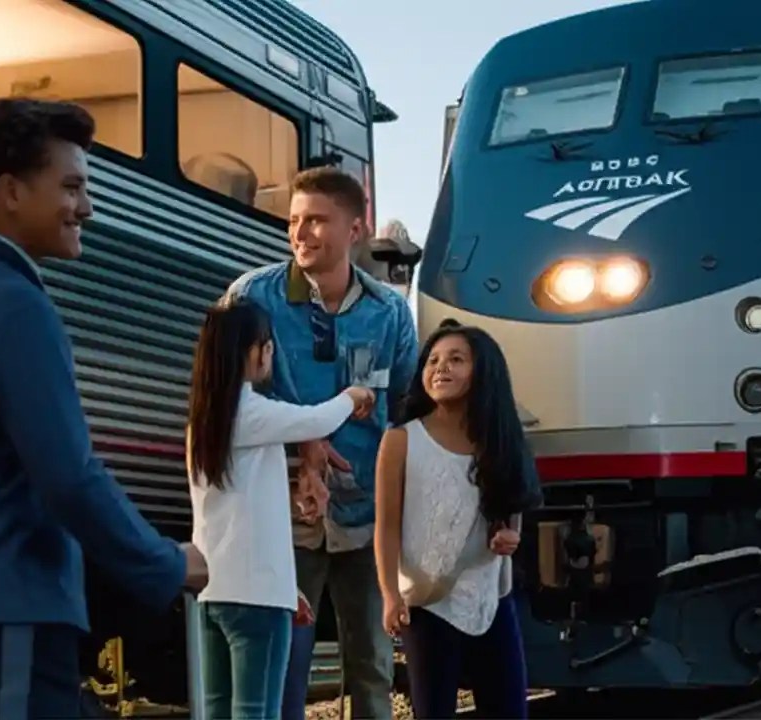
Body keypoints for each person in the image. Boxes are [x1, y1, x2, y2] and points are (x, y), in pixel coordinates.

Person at [0, 98, 207, 720]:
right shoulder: (14, 305)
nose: (85, 207)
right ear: (11, 191)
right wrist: (166, 563)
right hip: (9, 604)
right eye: (70, 186)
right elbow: (69, 476)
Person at [222, 166, 419, 720]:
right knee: (284, 665)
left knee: (373, 668)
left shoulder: (390, 313)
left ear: (355, 230)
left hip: (366, 517)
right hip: (281, 515)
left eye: (315, 221)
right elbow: (221, 404)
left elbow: (405, 412)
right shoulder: (250, 298)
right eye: (293, 221)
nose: (300, 233)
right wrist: (300, 441)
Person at [185, 298, 377, 719]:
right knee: (258, 712)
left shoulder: (204, 422)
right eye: (267, 344)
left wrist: (286, 587)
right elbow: (316, 420)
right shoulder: (249, 410)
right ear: (250, 351)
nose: (270, 353)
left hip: (214, 592)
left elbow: (238, 519)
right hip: (256, 598)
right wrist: (352, 395)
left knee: (218, 711)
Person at [374, 320, 542, 720]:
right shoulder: (400, 441)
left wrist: (510, 535)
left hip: (490, 597)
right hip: (427, 603)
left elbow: (513, 504)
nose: (440, 368)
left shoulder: (501, 439)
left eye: (456, 359)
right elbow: (386, 527)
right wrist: (390, 596)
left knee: (508, 709)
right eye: (432, 360)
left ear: (483, 371)